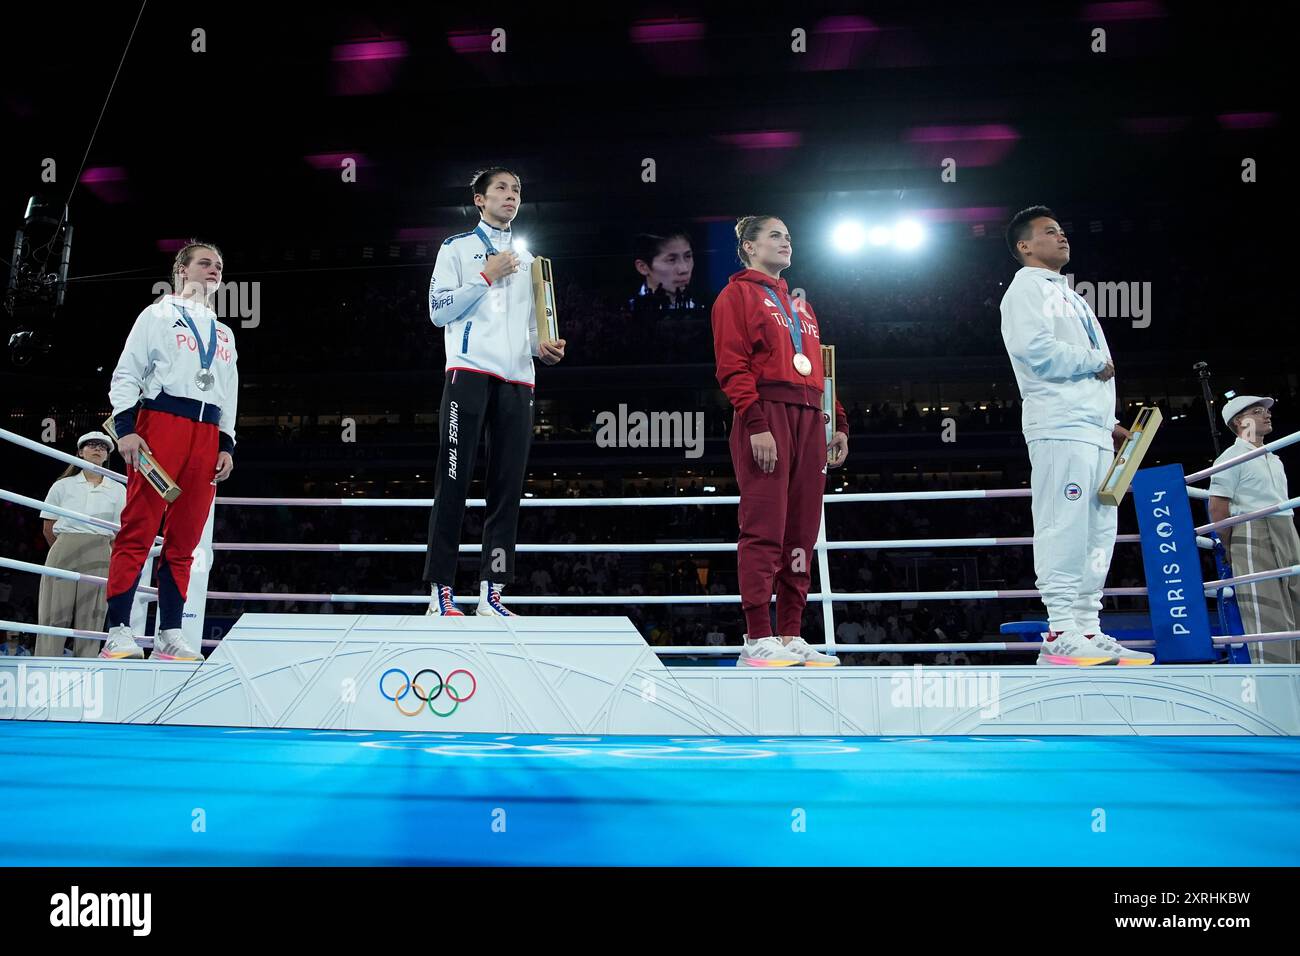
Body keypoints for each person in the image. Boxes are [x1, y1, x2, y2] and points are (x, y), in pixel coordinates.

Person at [999, 205, 1152, 665]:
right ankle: (1060, 628)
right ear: (1025, 246)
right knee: (1062, 525)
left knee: (1097, 532)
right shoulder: (1025, 290)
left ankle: (1088, 627)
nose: (1062, 236)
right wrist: (1092, 363)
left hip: (1090, 428)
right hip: (1059, 425)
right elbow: (1034, 350)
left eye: (1063, 229)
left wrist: (1109, 424)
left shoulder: (1069, 294)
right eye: (1050, 231)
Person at [423, 167, 566, 617]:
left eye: (518, 189)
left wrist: (541, 348)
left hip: (519, 379)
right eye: (502, 188)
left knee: (507, 490)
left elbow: (530, 329)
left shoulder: (533, 262)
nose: (512, 195)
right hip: (468, 372)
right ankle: (440, 593)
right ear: (479, 200)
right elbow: (436, 311)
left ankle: (492, 592)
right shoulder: (457, 249)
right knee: (454, 481)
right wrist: (484, 277)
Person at [711, 215, 848, 667]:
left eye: (789, 236)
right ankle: (757, 637)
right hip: (766, 415)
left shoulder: (803, 305)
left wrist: (837, 424)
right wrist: (755, 423)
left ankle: (790, 634)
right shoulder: (735, 295)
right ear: (749, 247)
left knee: (802, 533)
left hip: (811, 419)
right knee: (764, 528)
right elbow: (732, 366)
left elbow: (821, 371)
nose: (786, 242)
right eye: (774, 236)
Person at [101, 241, 239, 661]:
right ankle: (118, 631)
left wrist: (227, 443)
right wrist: (125, 429)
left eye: (218, 265)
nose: (214, 270)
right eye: (204, 263)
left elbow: (229, 392)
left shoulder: (224, 331)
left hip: (207, 432)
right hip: (160, 423)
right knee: (138, 528)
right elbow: (126, 372)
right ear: (181, 269)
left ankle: (170, 634)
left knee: (185, 542)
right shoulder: (157, 314)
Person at [1208, 395, 1300, 663]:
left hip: (1287, 527)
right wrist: (1230, 545)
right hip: (1251, 531)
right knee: (1266, 609)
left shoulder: (1274, 457)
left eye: (1266, 411)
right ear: (1240, 421)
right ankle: (1275, 683)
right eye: (1258, 411)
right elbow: (1217, 508)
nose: (1267, 415)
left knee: (1296, 601)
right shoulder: (1230, 457)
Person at [36, 432, 126, 657]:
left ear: (107, 455)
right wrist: (64, 547)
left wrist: (106, 553)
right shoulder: (62, 486)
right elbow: (49, 527)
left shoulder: (118, 489)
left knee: (92, 616)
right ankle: (45, 665)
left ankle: (85, 668)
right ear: (80, 451)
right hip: (64, 545)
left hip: (100, 549)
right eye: (91, 445)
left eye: (103, 447)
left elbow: (118, 532)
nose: (97, 449)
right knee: (53, 612)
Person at [629, 230, 697, 310]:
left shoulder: (706, 305)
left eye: (688, 256)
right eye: (671, 260)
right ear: (643, 267)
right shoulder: (629, 309)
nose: (684, 269)